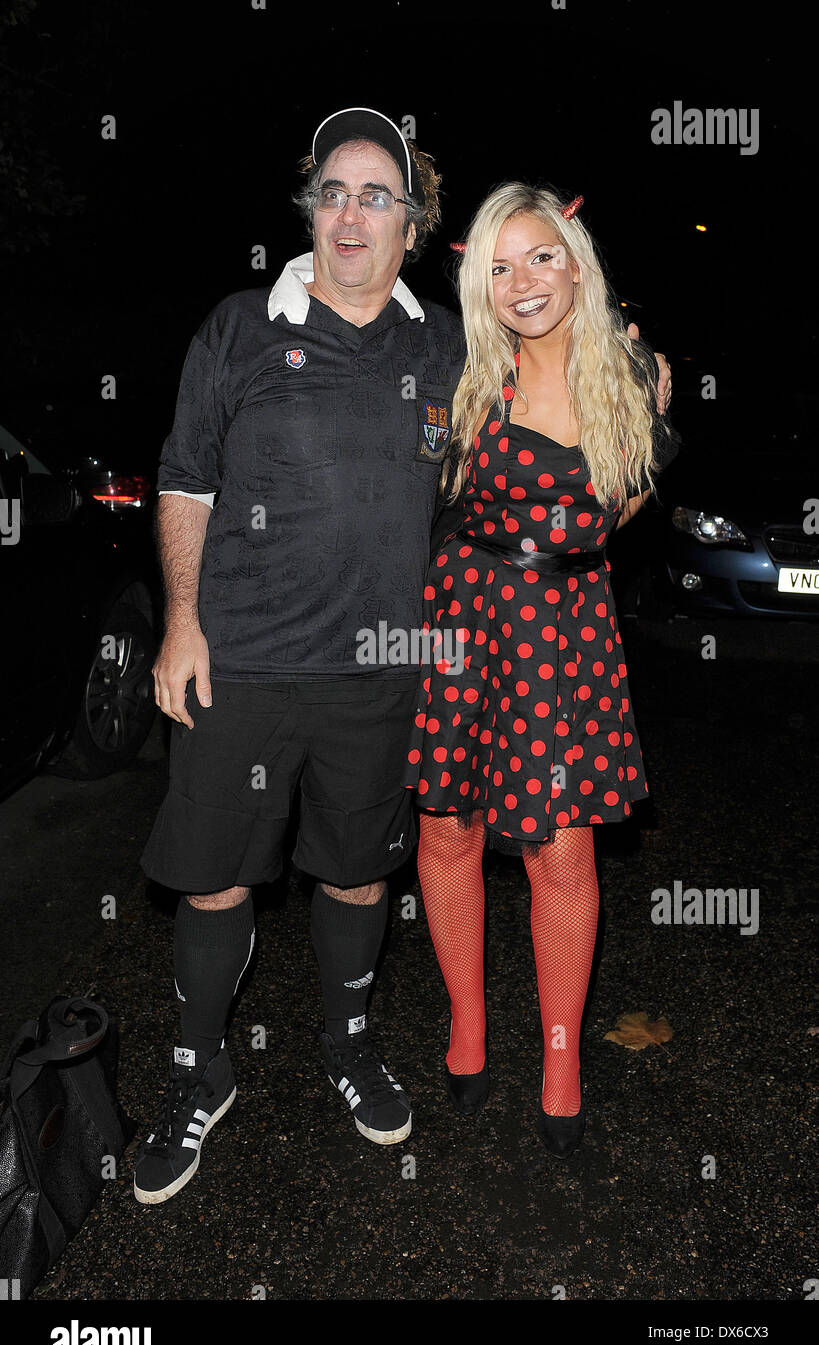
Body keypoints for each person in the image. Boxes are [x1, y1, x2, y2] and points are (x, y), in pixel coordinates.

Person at [135, 110, 671, 1204]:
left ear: (412, 226)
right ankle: (199, 1073)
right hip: (257, 659)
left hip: (402, 663)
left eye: (376, 195)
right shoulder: (245, 326)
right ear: (309, 209)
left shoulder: (445, 348)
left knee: (361, 869)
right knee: (220, 878)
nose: (352, 213)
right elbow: (185, 475)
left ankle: (356, 1048)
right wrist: (180, 621)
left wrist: (646, 376)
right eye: (334, 191)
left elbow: (594, 437)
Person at [405, 182, 679, 1158]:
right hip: (464, 618)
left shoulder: (634, 374)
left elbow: (618, 514)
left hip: (563, 628)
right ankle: (467, 1023)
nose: (522, 281)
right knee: (448, 828)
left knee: (559, 851)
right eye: (498, 265)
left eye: (540, 256)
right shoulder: (463, 373)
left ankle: (562, 1061)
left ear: (575, 263)